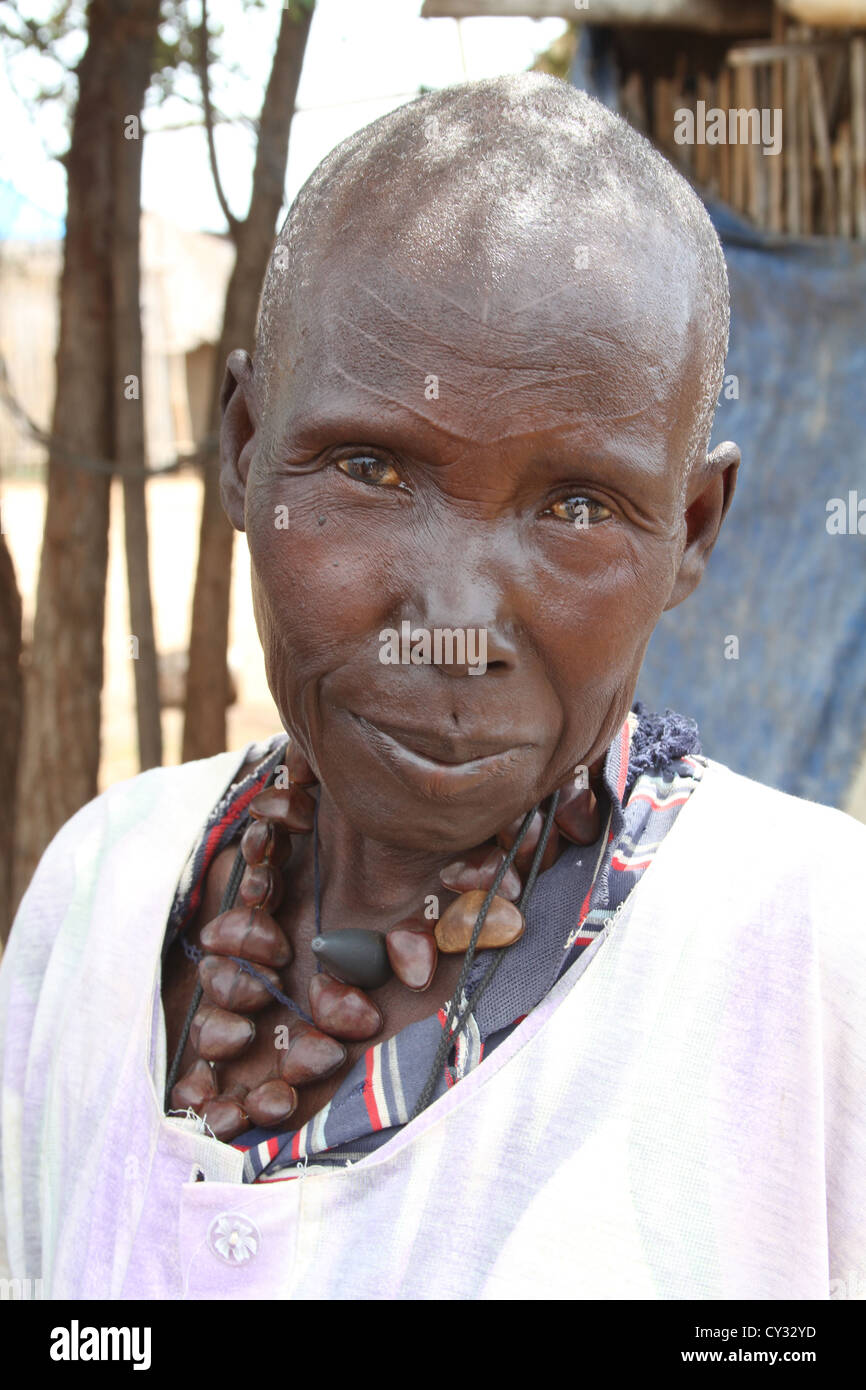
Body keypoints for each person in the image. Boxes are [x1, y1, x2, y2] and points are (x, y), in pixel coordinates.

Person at [1, 73, 863, 1301]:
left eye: (576, 505)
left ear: (691, 531)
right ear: (244, 448)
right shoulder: (101, 896)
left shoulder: (816, 961)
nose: (449, 629)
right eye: (368, 467)